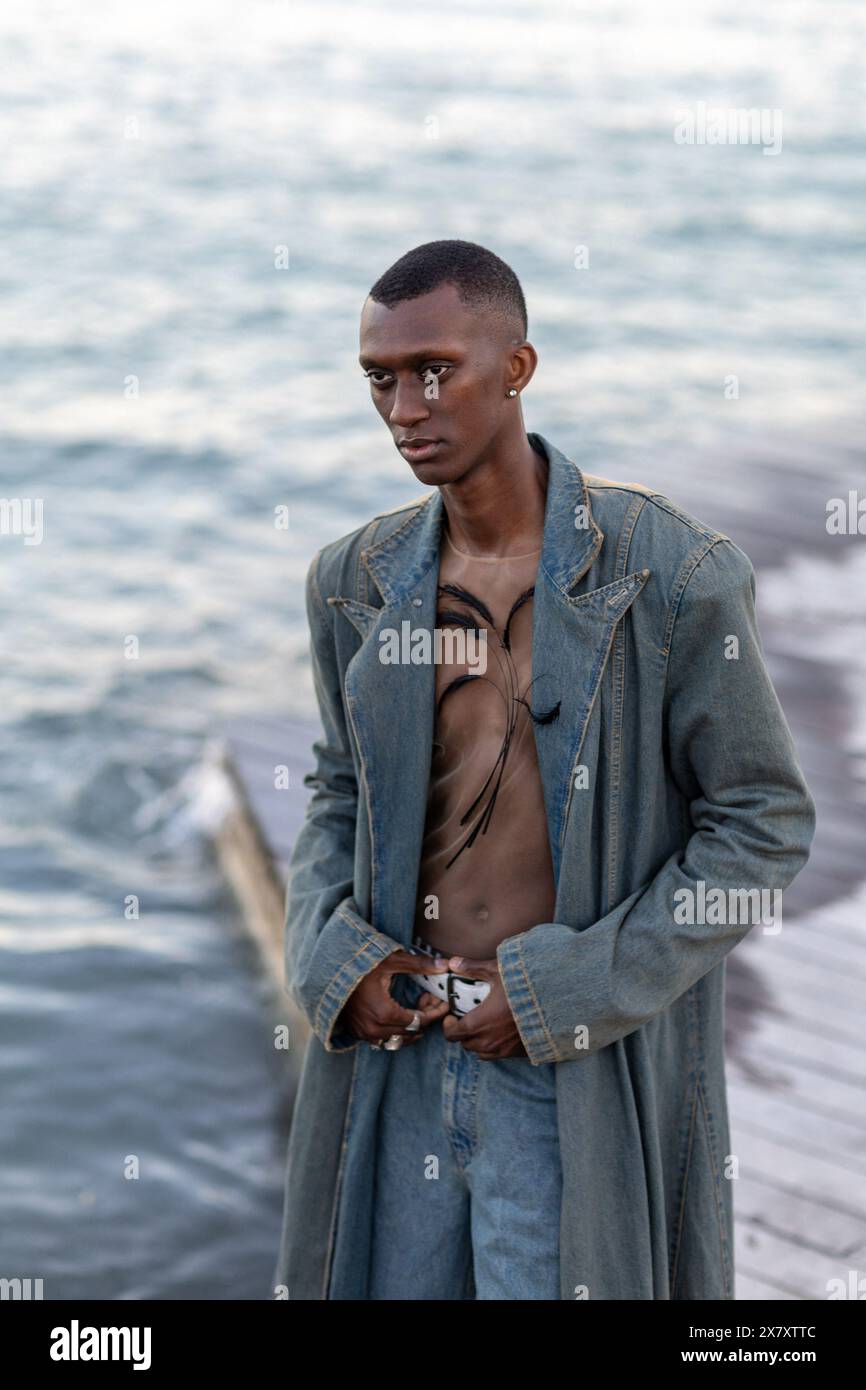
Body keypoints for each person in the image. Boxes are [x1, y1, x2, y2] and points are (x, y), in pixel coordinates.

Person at [272, 239, 815, 1300]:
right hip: (398, 1061)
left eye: (436, 370)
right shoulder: (351, 582)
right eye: (380, 378)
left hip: (567, 1071)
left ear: (516, 367)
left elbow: (759, 824)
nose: (404, 408)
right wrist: (331, 957)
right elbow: (337, 790)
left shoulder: (670, 575)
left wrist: (574, 985)